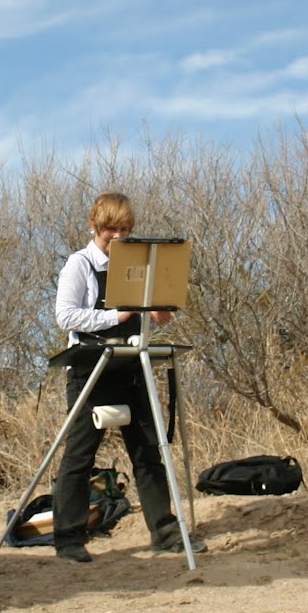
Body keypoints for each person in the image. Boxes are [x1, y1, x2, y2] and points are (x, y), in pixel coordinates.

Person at [51, 192, 205, 563]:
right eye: (111, 230)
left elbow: (145, 314)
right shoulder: (80, 264)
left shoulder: (138, 265)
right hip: (91, 368)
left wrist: (157, 315)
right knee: (80, 455)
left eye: (124, 230)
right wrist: (114, 316)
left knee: (148, 452)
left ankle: (165, 531)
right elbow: (66, 316)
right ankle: (68, 538)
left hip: (133, 366)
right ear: (95, 226)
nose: (118, 237)